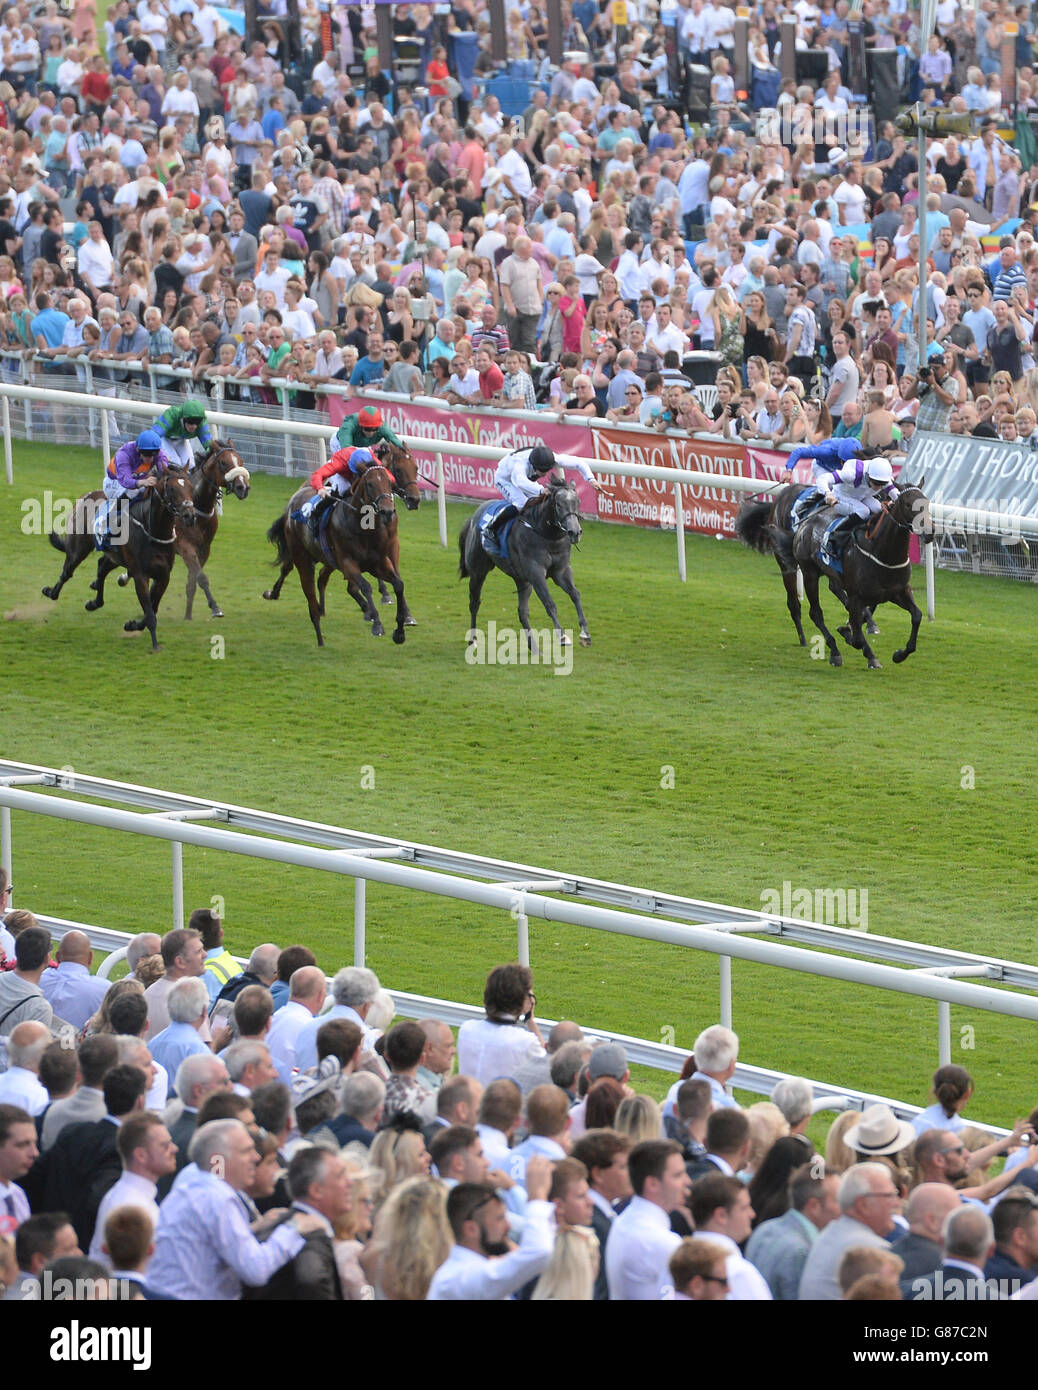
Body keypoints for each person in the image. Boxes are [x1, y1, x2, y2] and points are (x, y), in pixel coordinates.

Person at [147, 1119, 324, 1300]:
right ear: (218, 1161)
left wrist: (254, 1228)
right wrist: (294, 1226)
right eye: (246, 1151)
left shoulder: (189, 1187)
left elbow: (206, 1244)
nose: (256, 1157)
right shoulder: (218, 1198)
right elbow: (256, 1271)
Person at [427, 1155, 555, 1300]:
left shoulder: (470, 1270)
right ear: (471, 1229)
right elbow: (539, 1252)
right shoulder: (458, 1278)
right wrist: (537, 1198)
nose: (508, 1226)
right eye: (499, 1219)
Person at [605, 1140, 690, 1301]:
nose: (687, 1182)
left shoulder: (623, 1220)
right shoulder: (662, 1242)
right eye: (678, 1175)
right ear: (652, 1184)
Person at [482, 445, 603, 554]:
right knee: (521, 503)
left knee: (538, 502)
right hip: (505, 480)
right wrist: (541, 490)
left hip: (524, 480)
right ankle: (491, 529)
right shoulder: (520, 464)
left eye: (547, 470)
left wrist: (591, 479)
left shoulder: (551, 458)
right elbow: (520, 482)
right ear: (534, 466)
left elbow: (578, 463)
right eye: (542, 471)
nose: (544, 474)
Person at [813, 456, 897, 570]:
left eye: (882, 484)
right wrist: (828, 493)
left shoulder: (882, 476)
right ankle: (833, 537)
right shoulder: (851, 474)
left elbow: (895, 494)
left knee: (880, 510)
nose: (879, 487)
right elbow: (823, 478)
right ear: (867, 475)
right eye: (876, 483)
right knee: (863, 511)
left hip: (861, 497)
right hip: (840, 497)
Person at [98, 429, 171, 546]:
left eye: (154, 455)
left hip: (137, 478)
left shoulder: (155, 452)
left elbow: (165, 469)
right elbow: (126, 481)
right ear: (138, 450)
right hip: (114, 482)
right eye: (147, 455)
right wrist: (143, 482)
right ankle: (107, 524)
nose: (151, 459)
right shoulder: (124, 455)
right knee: (134, 490)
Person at [293, 445, 376, 526]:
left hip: (363, 469)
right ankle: (316, 514)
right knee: (342, 490)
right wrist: (320, 488)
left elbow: (386, 474)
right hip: (340, 474)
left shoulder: (372, 459)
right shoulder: (339, 463)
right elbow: (317, 475)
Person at [151, 397, 212, 471]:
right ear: (183, 418)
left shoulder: (202, 423)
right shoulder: (172, 414)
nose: (194, 426)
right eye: (190, 421)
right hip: (165, 438)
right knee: (176, 464)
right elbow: (155, 434)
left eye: (197, 422)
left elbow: (208, 444)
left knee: (190, 465)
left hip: (182, 440)